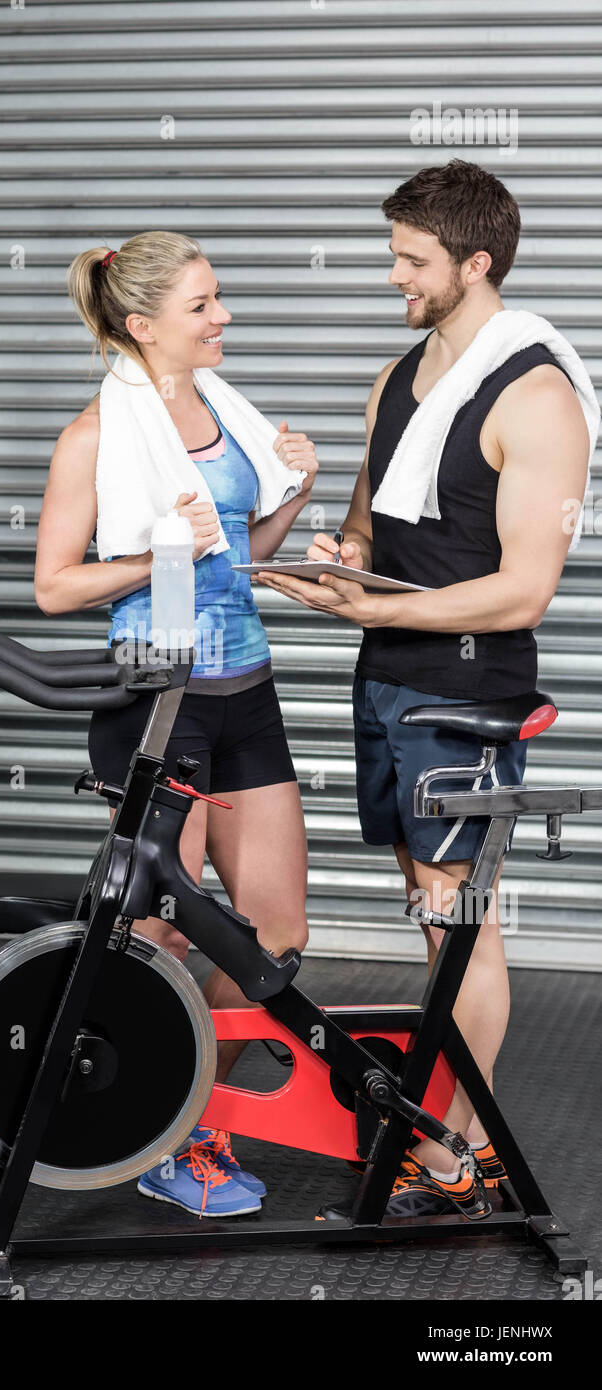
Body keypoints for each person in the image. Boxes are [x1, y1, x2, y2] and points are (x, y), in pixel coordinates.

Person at [257, 159, 595, 1218]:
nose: (393, 275)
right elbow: (372, 521)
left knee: (461, 929)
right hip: (390, 677)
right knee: (432, 918)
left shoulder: (535, 397)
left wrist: (378, 612)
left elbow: (524, 590)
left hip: (466, 695)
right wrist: (343, 556)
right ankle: (449, 1136)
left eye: (411, 259)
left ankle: (453, 1156)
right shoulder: (398, 377)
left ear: (474, 262)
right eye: (392, 254)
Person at [34, 231, 316, 1216]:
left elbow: (236, 554)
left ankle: (196, 1122)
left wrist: (295, 490)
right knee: (157, 934)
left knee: (272, 935)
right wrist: (154, 550)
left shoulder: (226, 413)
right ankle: (150, 1127)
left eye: (217, 295)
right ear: (143, 325)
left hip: (247, 692)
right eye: (202, 305)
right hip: (158, 701)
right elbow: (54, 585)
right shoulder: (93, 437)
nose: (223, 315)